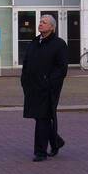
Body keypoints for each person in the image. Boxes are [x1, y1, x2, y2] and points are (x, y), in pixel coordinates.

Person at [21, 14, 68, 161]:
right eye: (40, 22)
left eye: (44, 22)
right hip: (32, 87)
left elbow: (62, 68)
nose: (40, 24)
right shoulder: (34, 42)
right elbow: (26, 63)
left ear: (52, 27)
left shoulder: (59, 44)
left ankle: (40, 152)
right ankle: (56, 141)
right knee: (39, 116)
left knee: (43, 118)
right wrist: (24, 80)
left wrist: (49, 82)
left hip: (48, 89)